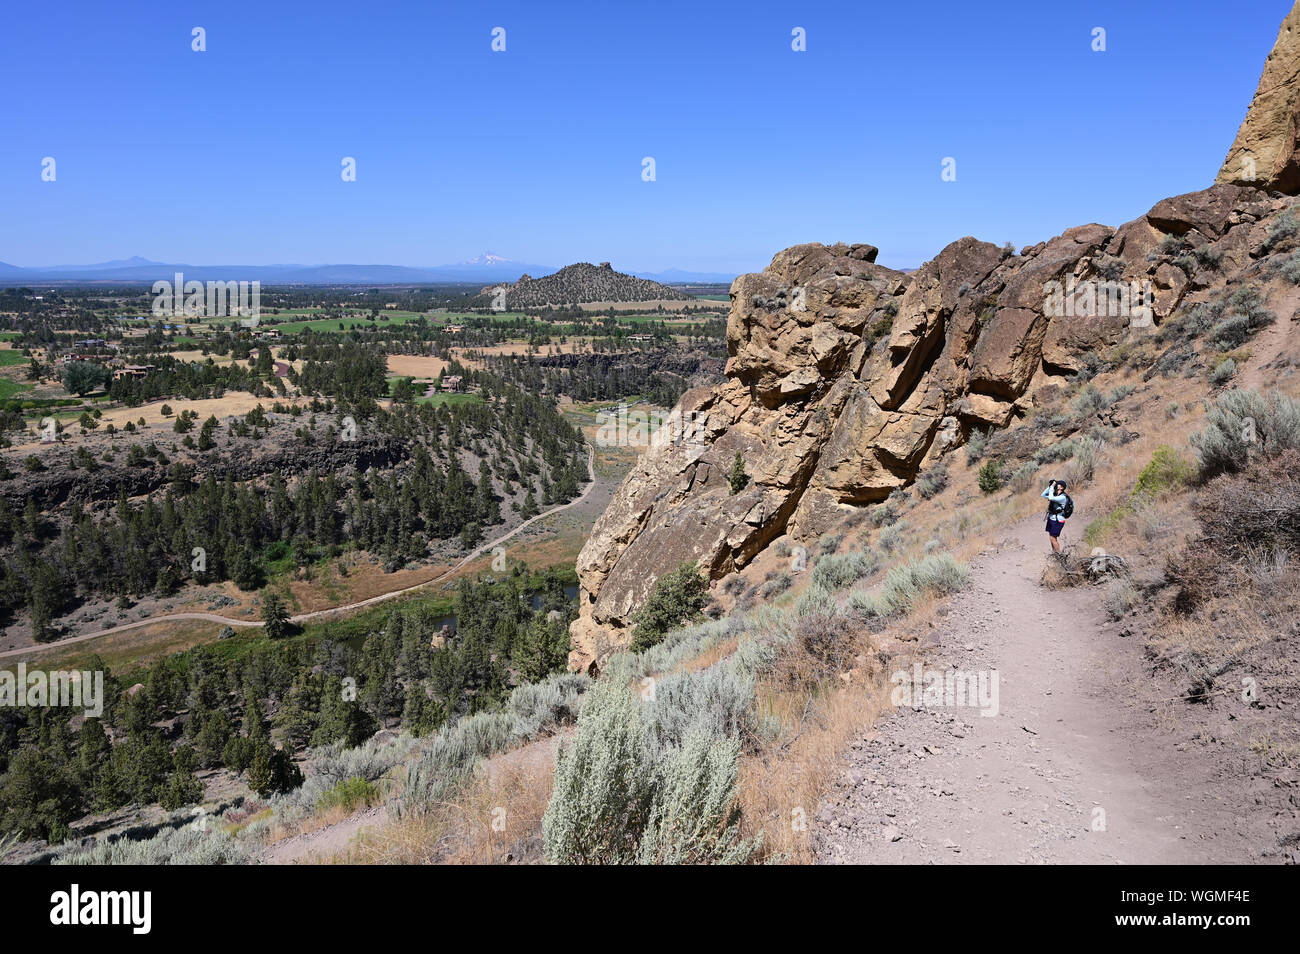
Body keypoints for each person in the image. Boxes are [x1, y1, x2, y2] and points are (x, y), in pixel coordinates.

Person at [1041, 479, 1069, 553]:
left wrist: (1052, 487)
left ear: (1062, 487)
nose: (1056, 485)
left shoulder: (1062, 497)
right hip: (1052, 518)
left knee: (1053, 538)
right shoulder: (1055, 494)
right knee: (1052, 538)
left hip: (1058, 520)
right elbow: (1043, 495)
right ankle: (1055, 553)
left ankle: (1059, 555)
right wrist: (1050, 486)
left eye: (1058, 484)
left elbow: (1050, 498)